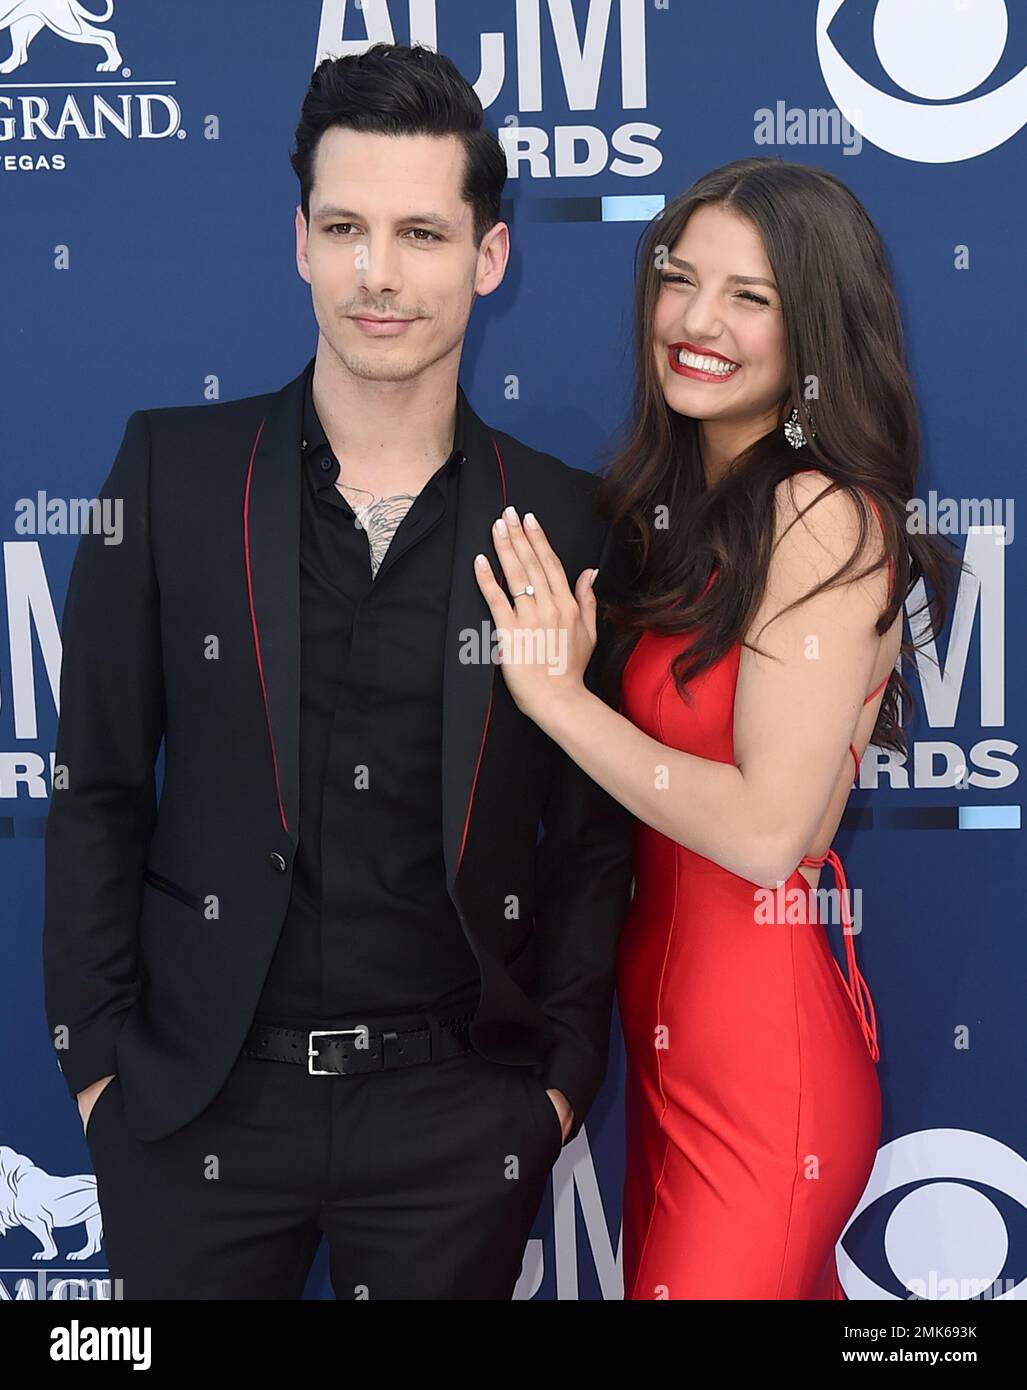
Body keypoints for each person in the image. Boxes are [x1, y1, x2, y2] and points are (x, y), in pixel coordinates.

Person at [42, 42, 633, 1300]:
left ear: (489, 257)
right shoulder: (171, 473)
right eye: (345, 226)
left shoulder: (569, 522)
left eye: (422, 232)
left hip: (455, 1123)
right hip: (195, 1110)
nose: (379, 274)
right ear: (299, 240)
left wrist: (556, 1091)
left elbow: (589, 840)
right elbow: (95, 786)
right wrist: (98, 1072)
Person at [473, 157, 958, 1299]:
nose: (695, 321)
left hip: (757, 1058)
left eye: (751, 296)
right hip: (668, 1045)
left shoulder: (821, 509)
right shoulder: (688, 513)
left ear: (817, 329)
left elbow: (763, 833)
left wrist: (557, 698)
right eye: (679, 279)